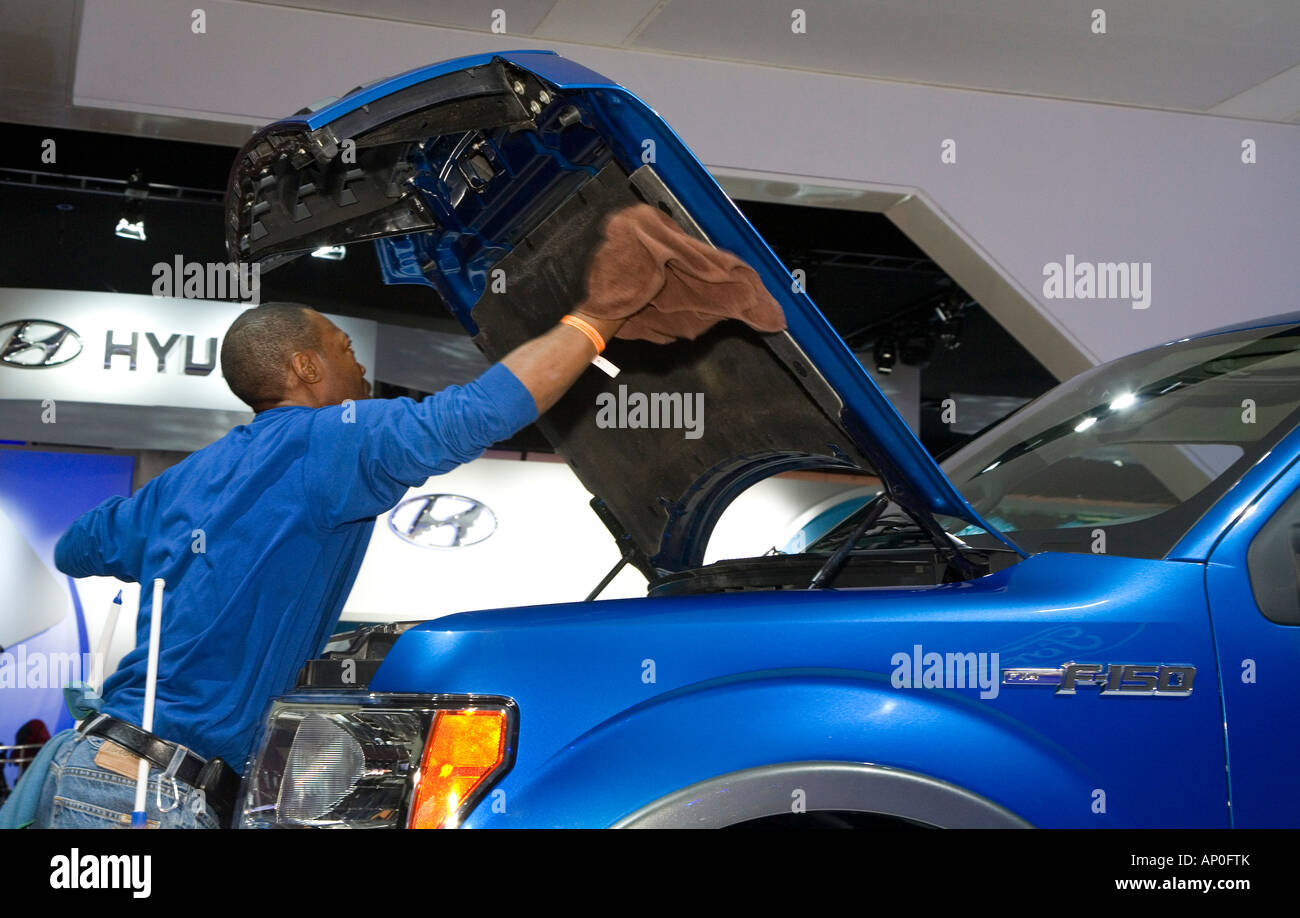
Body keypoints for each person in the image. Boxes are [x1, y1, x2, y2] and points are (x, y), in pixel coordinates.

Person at [0, 300, 638, 828]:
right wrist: (597, 317)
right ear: (306, 366)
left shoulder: (187, 478)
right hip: (142, 797)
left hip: (100, 768)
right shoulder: (332, 438)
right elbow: (482, 412)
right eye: (345, 349)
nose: (360, 366)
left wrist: (160, 521)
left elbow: (77, 545)